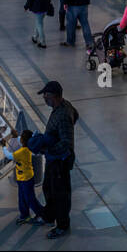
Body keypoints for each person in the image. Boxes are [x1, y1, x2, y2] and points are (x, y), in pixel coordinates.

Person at [27, 81, 78, 239]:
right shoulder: (64, 106)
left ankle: (62, 225)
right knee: (48, 188)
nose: (44, 98)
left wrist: (47, 148)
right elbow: (76, 115)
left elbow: (66, 144)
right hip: (52, 160)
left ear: (55, 96)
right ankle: (48, 217)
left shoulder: (62, 115)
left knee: (60, 195)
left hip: (59, 163)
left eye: (46, 95)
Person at [6, 129, 44, 224]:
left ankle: (41, 215)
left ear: (23, 140)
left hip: (26, 180)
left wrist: (3, 146)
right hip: (23, 178)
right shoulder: (28, 147)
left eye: (21, 137)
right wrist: (15, 136)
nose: (20, 139)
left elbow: (9, 156)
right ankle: (24, 215)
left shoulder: (22, 151)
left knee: (30, 199)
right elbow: (21, 140)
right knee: (22, 198)